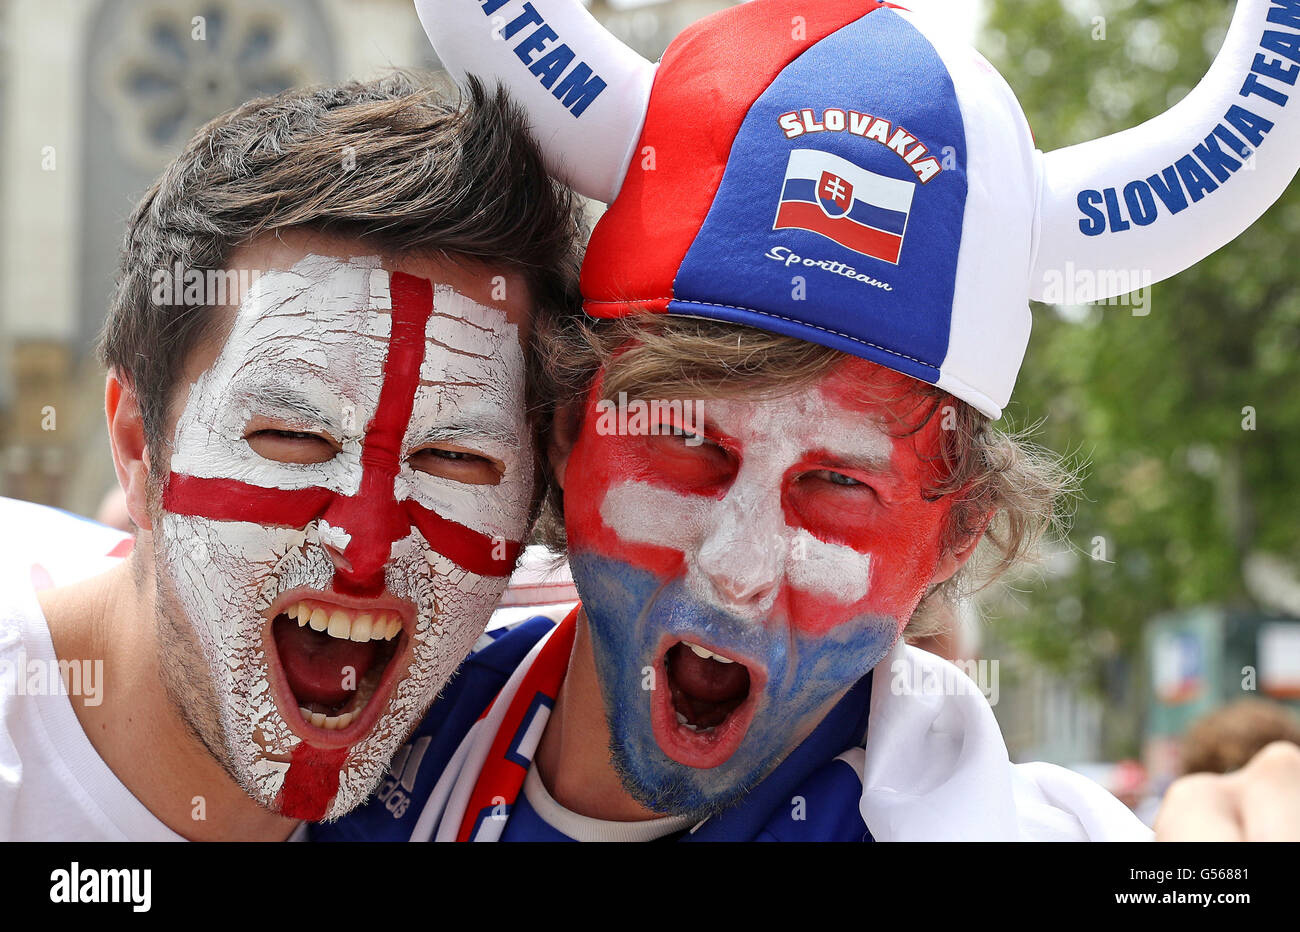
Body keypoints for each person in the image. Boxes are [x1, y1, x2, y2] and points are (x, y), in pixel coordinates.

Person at [316, 0, 1300, 841]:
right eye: (689, 443)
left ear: (953, 532)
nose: (738, 568)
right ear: (568, 431)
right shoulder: (343, 723)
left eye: (838, 482)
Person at [0, 73, 584, 840]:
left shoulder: (510, 728)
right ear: (139, 446)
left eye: (453, 458)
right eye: (294, 440)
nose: (366, 544)